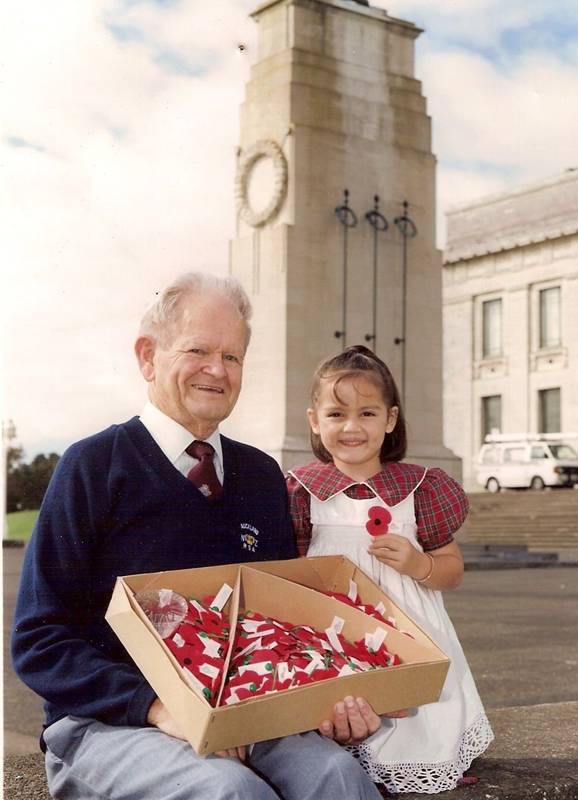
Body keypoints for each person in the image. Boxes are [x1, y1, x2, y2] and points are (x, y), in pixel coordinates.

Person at [12, 274, 384, 800]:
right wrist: (163, 707)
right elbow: (40, 639)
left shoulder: (260, 476)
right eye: (199, 350)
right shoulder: (92, 467)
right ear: (148, 357)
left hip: (247, 715)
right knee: (228, 792)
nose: (218, 370)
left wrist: (331, 697)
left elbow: (283, 627)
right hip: (115, 722)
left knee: (339, 777)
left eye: (232, 357)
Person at [286, 345, 494, 795]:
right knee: (344, 716)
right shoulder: (302, 492)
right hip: (337, 632)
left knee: (419, 717)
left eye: (366, 413)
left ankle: (426, 756)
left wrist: (419, 564)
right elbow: (291, 572)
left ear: (390, 419)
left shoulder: (419, 488)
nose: (351, 427)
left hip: (413, 633)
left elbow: (452, 570)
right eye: (336, 414)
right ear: (314, 421)